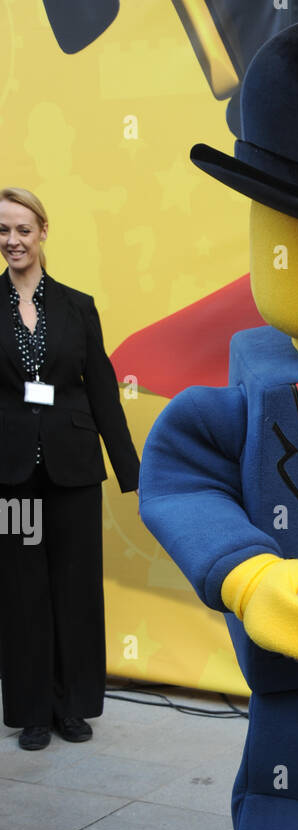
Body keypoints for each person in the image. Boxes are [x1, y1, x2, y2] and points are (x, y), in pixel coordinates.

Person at [0, 187, 140, 751]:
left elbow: (103, 389)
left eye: (22, 230)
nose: (12, 241)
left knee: (76, 587)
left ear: (43, 232)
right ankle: (33, 710)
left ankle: (73, 706)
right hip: (10, 473)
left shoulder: (77, 306)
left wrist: (130, 469)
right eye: (4, 231)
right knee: (20, 588)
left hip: (75, 467)